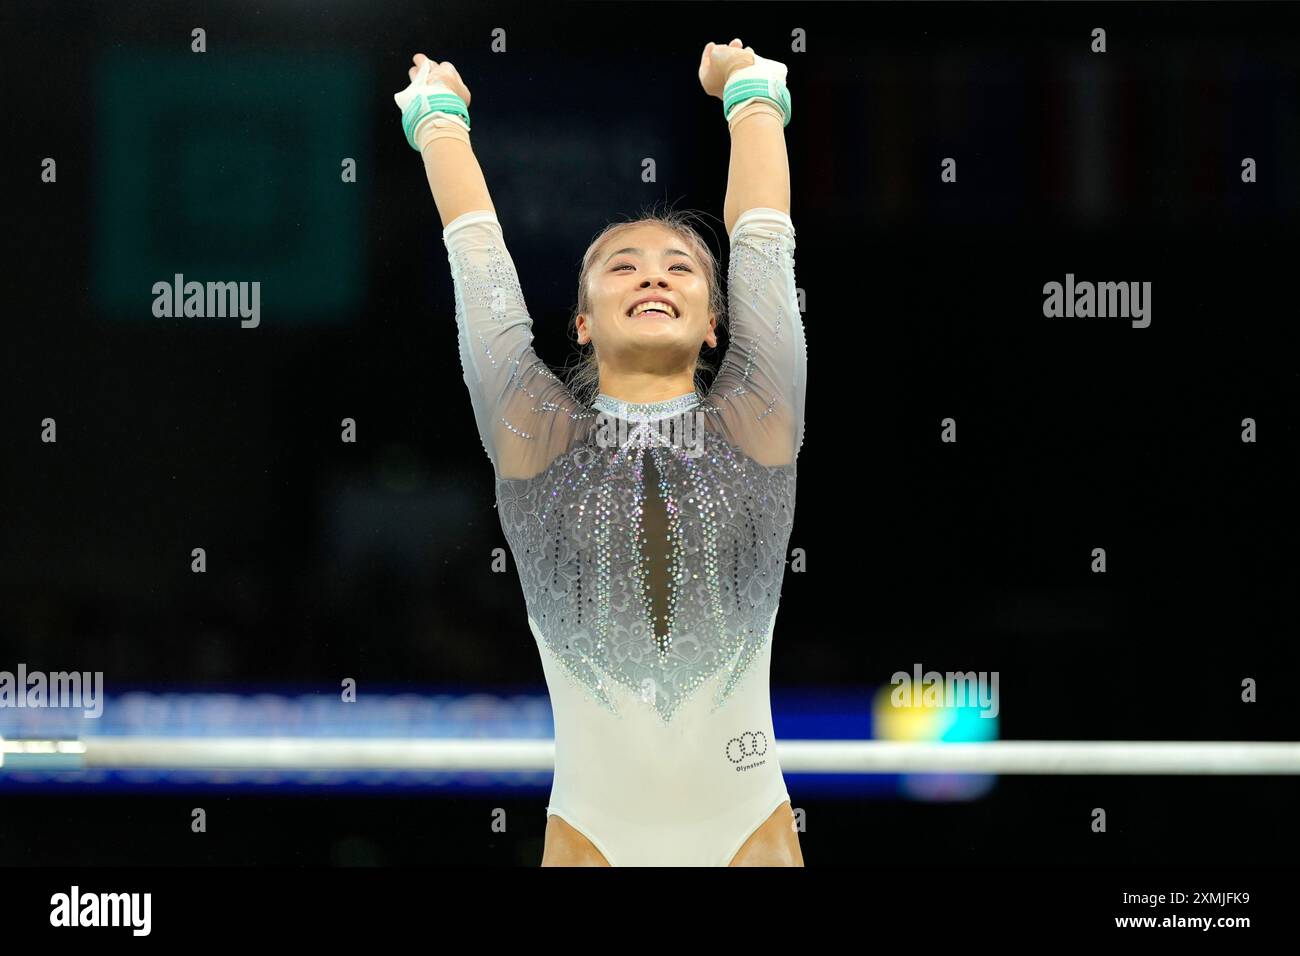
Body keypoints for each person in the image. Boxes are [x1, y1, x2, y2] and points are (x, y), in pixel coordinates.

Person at [395, 39, 806, 866]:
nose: (653, 278)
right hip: (592, 838)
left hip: (749, 832)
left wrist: (751, 89)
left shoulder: (758, 415)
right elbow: (479, 269)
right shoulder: (537, 436)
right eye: (623, 267)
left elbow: (763, 244)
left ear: (716, 323)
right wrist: (437, 116)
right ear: (580, 322)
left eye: (681, 268)